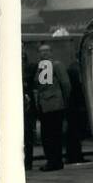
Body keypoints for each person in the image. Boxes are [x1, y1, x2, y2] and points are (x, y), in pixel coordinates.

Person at [33, 42, 71, 172]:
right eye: (41, 51)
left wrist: (64, 102)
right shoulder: (40, 67)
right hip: (44, 106)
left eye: (47, 50)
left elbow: (66, 84)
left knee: (54, 135)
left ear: (51, 52)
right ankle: (53, 161)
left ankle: (54, 161)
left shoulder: (56, 65)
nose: (44, 53)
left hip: (55, 105)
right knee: (47, 135)